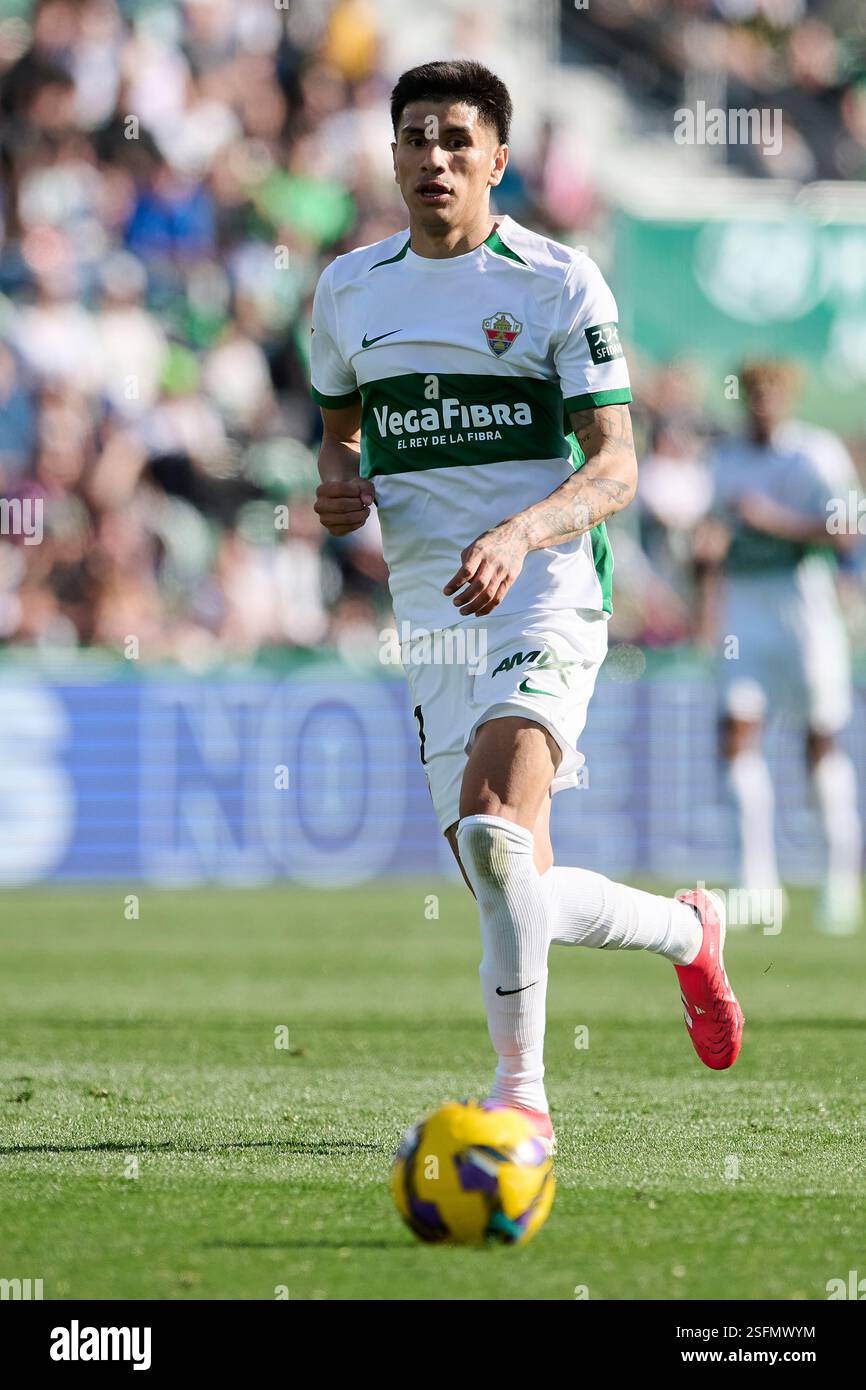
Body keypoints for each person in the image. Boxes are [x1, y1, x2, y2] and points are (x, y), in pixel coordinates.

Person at [311, 60, 744, 1150]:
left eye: (457, 139)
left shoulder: (556, 282)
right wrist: (335, 486)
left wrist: (518, 531)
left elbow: (615, 467)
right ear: (392, 157)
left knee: (498, 832)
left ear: (497, 161)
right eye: (414, 137)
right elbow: (338, 429)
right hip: (431, 613)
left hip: (544, 590)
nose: (433, 157)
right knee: (509, 883)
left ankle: (521, 1100)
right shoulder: (347, 290)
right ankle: (685, 934)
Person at [699, 359, 862, 935]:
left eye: (773, 391)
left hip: (804, 604)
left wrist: (776, 522)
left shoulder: (814, 453)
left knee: (820, 739)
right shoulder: (723, 459)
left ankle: (838, 883)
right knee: (737, 732)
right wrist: (707, 562)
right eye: (753, 391)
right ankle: (756, 885)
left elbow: (850, 529)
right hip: (745, 602)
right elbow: (710, 534)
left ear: (788, 396)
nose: (762, 401)